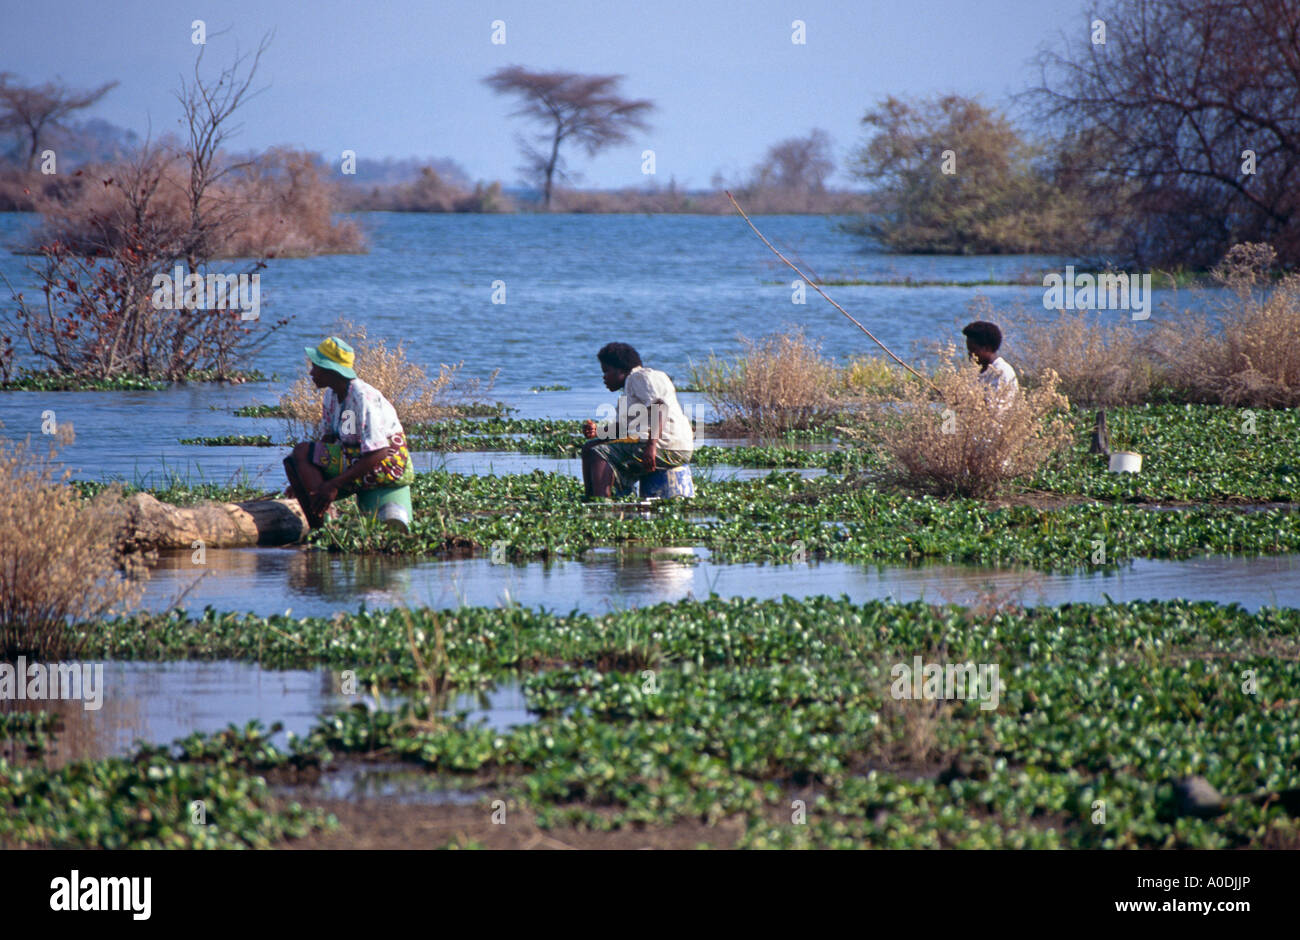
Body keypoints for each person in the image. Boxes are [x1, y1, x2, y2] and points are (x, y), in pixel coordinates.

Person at [283, 336, 413, 529]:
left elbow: (379, 452)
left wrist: (333, 484)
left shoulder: (362, 397)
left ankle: (323, 525)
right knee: (292, 462)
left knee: (302, 451)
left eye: (316, 367)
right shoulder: (332, 395)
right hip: (358, 457)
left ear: (331, 371)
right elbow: (332, 440)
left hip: (388, 464)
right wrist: (302, 480)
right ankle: (320, 527)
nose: (311, 373)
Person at [580, 342, 694, 499]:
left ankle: (602, 504)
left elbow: (660, 407)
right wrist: (598, 432)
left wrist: (651, 446)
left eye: (607, 371)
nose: (604, 377)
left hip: (668, 446)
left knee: (600, 453)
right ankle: (590, 498)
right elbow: (623, 430)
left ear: (620, 369)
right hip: (669, 446)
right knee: (590, 447)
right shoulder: (630, 391)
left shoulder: (639, 377)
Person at [962, 320, 1019, 407]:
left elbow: (996, 412)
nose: (970, 354)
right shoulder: (979, 372)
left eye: (973, 350)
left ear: (987, 348)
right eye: (969, 350)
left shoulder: (1002, 372)